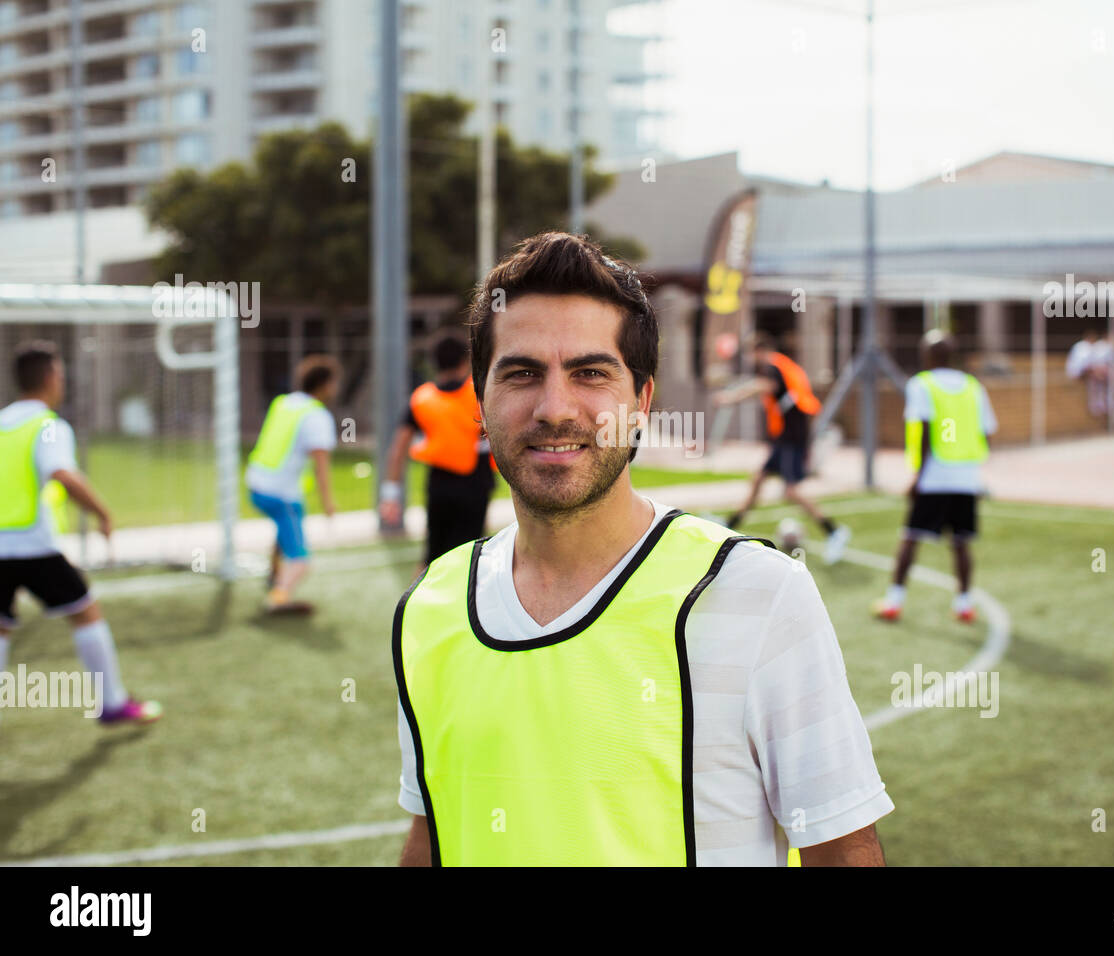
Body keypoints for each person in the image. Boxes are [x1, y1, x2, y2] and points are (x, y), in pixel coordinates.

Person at [393, 233, 893, 866]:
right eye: (521, 373)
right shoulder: (429, 608)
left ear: (641, 403)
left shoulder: (757, 594)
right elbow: (432, 836)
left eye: (591, 374)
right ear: (481, 401)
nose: (555, 408)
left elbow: (843, 851)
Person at [0, 342, 161, 724]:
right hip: (32, 545)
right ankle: (112, 703)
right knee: (86, 613)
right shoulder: (47, 426)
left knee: (2, 625)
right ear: (53, 378)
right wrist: (102, 511)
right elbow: (63, 474)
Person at [874, 329, 997, 624]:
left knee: (910, 538)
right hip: (966, 477)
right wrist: (971, 468)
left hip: (934, 477)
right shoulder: (972, 386)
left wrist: (918, 476)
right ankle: (965, 604)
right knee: (961, 542)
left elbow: (926, 431)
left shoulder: (921, 384)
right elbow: (988, 431)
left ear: (928, 355)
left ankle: (894, 601)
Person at [715, 333, 851, 564]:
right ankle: (729, 525)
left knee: (791, 491)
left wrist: (732, 396)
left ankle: (834, 532)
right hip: (786, 437)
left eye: (751, 354)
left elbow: (764, 386)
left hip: (791, 437)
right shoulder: (780, 365)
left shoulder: (772, 366)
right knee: (758, 480)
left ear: (759, 351)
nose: (752, 359)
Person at [379, 328, 496, 567]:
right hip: (476, 484)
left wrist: (390, 493)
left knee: (432, 556)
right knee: (470, 557)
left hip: (439, 484)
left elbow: (398, 448)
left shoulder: (421, 399)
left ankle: (415, 602)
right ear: (466, 361)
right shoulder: (479, 394)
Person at [246, 355, 339, 614]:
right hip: (279, 493)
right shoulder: (317, 417)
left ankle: (274, 571)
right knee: (301, 561)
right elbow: (321, 466)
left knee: (286, 521)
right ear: (324, 385)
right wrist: (328, 502)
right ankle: (278, 596)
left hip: (256, 484)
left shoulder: (283, 403)